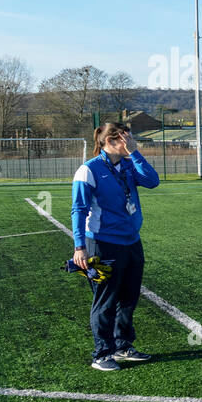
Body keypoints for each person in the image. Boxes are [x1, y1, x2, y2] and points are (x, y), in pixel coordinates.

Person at [70, 123, 160, 371]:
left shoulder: (130, 164)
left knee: (129, 297)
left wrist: (135, 153)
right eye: (125, 138)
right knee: (105, 300)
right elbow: (79, 210)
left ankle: (122, 346)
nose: (129, 141)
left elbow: (153, 181)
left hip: (131, 241)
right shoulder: (89, 170)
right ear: (109, 141)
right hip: (102, 243)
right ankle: (102, 353)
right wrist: (80, 247)